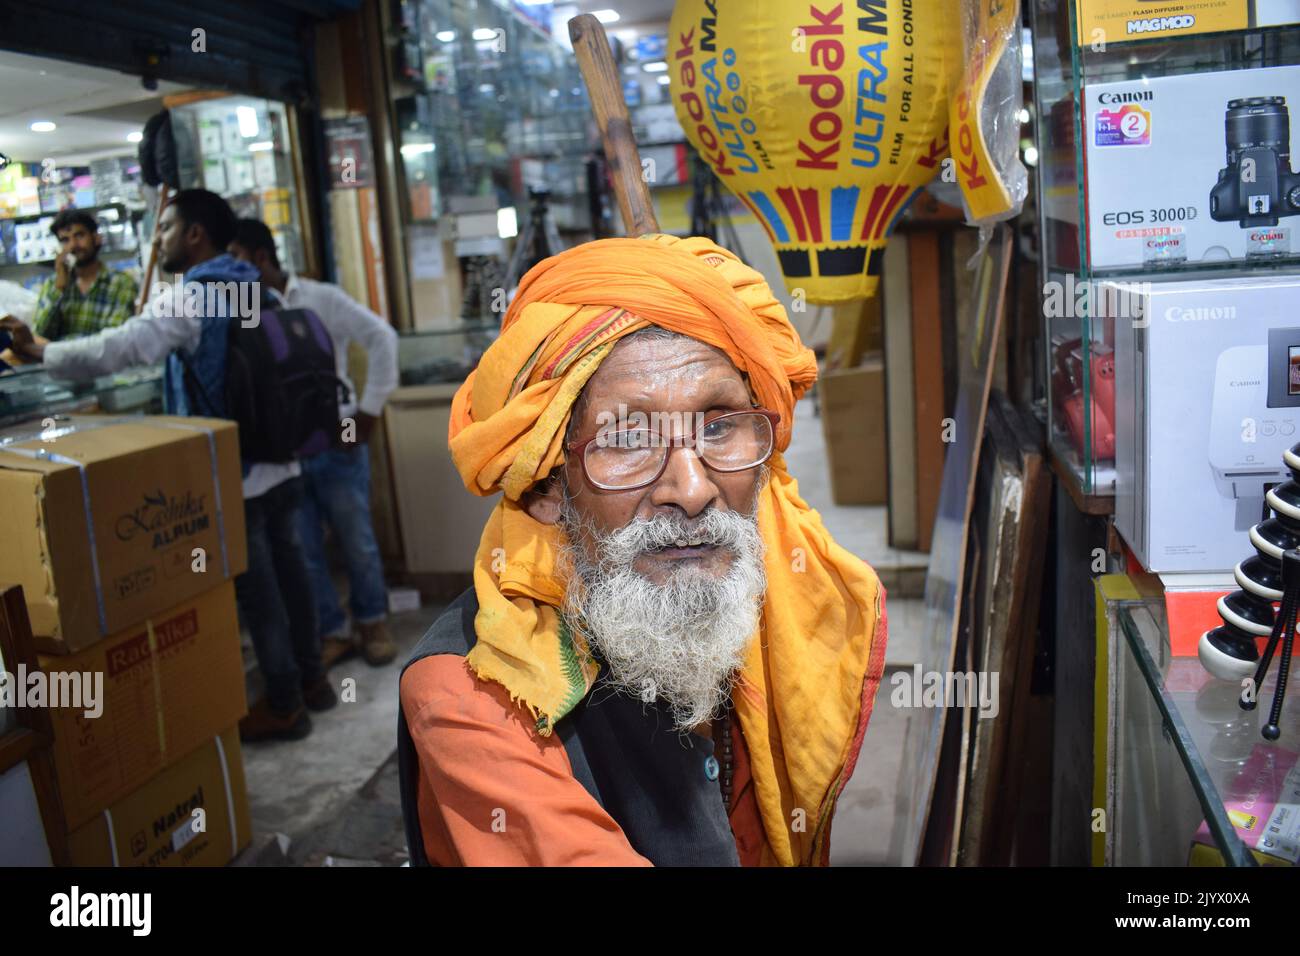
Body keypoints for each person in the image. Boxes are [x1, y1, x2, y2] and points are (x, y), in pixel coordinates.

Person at [396, 234, 887, 866]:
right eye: (627, 436)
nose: (691, 488)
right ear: (547, 489)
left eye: (718, 424)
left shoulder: (769, 603)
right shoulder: (471, 690)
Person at [1, 189, 333, 743]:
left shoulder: (195, 294)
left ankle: (284, 704)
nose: (158, 239)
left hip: (235, 465)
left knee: (260, 592)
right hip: (283, 457)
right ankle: (314, 681)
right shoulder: (253, 283)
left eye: (167, 228)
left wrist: (41, 352)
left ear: (195, 234)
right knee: (293, 574)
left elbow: (123, 349)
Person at [229, 219, 400, 667]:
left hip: (338, 437)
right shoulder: (245, 310)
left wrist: (369, 409)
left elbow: (382, 337)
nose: (231, 269)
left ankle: (372, 622)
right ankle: (333, 630)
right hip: (284, 450)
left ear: (261, 257)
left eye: (238, 259)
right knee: (304, 548)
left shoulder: (321, 297)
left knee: (356, 537)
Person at [31, 208, 138, 341]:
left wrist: (61, 345)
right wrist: (59, 290)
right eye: (65, 240)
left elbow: (115, 339)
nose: (73, 245)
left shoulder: (121, 283)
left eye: (80, 235)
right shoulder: (53, 285)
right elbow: (39, 335)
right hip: (61, 361)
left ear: (96, 238)